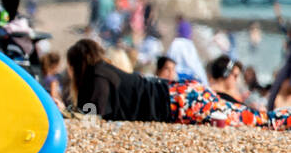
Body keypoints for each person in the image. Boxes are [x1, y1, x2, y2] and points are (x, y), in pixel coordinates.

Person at [68, 38, 290, 129]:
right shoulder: (105, 70)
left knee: (249, 119)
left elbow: (92, 115)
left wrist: (71, 115)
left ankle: (285, 120)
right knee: (242, 114)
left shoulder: (98, 73)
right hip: (182, 95)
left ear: (77, 63)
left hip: (179, 101)